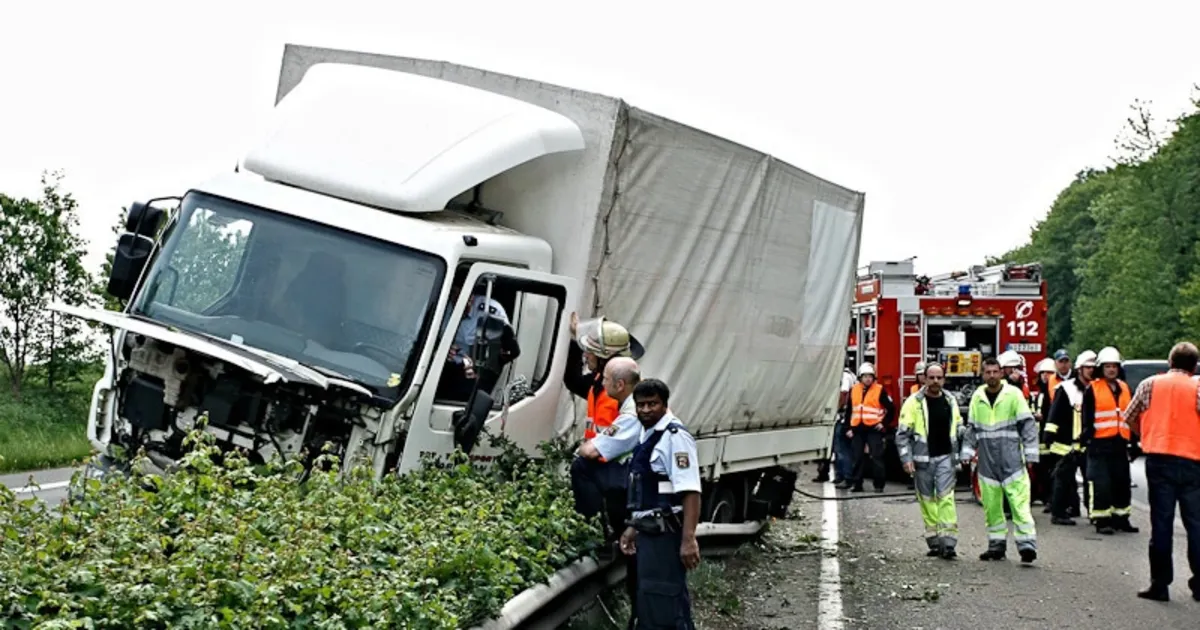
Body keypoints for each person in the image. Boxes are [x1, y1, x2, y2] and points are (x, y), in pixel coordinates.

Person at [620, 379, 701, 629]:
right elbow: (652, 495)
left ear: (665, 404)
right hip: (650, 533)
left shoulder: (675, 437)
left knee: (664, 605)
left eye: (652, 404)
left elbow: (690, 492)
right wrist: (635, 527)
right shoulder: (649, 435)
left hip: (666, 536)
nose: (645, 410)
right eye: (640, 405)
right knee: (653, 604)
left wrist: (688, 540)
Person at [1125, 342, 1200, 602]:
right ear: (1194, 366)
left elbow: (1129, 416)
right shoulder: (1198, 386)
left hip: (1159, 459)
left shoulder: (1149, 385)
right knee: (1196, 524)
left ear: (1170, 363)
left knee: (1161, 524)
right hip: (1193, 461)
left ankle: (1160, 584)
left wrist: (1146, 434)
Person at [962, 357, 1040, 563]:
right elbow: (972, 429)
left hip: (1012, 460)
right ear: (982, 374)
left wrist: (1031, 454)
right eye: (988, 372)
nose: (992, 376)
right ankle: (996, 547)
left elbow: (1027, 425)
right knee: (992, 507)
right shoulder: (978, 396)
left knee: (1020, 504)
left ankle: (1026, 546)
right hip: (987, 462)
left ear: (1001, 373)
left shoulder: (1013, 395)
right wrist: (966, 452)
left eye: (995, 371)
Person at [896, 363, 963, 559]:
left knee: (946, 497)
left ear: (944, 379)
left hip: (945, 457)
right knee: (926, 500)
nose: (935, 381)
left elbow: (958, 428)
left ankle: (948, 542)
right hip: (922, 460)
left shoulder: (950, 400)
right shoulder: (913, 403)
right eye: (931, 377)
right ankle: (934, 541)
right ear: (924, 379)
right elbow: (902, 435)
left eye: (939, 377)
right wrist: (906, 459)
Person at [1080, 346, 1139, 535]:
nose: (1111, 370)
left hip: (1120, 442)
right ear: (1101, 369)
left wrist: (1134, 441)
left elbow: (1131, 416)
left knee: (1122, 482)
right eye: (1107, 367)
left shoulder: (1124, 388)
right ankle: (1102, 520)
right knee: (1102, 484)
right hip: (1099, 443)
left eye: (1114, 366)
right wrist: (1087, 438)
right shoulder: (1093, 389)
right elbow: (1087, 417)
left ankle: (1121, 518)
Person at [566, 313, 639, 441]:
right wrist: (575, 338)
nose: (586, 355)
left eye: (591, 351)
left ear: (603, 356)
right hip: (595, 453)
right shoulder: (599, 380)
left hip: (607, 457)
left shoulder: (625, 393)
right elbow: (573, 381)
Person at [1046, 350, 1095, 525]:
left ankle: (1094, 513)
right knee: (1063, 480)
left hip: (1087, 443)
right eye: (1087, 368)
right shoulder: (1066, 389)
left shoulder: (1095, 388)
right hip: (1066, 444)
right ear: (1080, 369)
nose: (1091, 371)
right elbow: (1054, 415)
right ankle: (1058, 513)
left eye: (1093, 368)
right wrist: (1049, 438)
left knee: (1092, 480)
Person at [846, 362, 895, 493]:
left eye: (870, 376)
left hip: (874, 429)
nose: (868, 379)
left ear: (874, 378)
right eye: (865, 376)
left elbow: (891, 409)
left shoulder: (879, 390)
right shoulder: (854, 390)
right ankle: (857, 484)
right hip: (857, 428)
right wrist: (848, 428)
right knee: (857, 457)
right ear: (860, 377)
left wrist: (883, 424)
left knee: (876, 457)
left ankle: (879, 485)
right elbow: (849, 411)